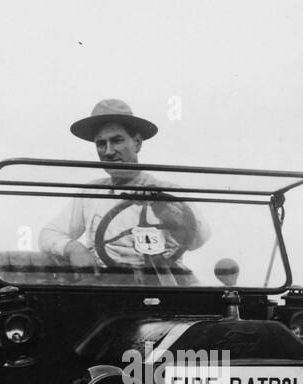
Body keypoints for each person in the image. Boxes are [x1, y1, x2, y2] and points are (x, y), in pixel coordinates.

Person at [39, 99, 210, 278]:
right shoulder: (91, 192)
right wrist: (73, 249)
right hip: (109, 285)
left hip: (164, 281)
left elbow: (199, 238)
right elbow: (49, 234)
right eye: (101, 144)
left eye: (117, 141)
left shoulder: (168, 191)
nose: (109, 151)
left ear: (137, 143)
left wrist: (167, 210)